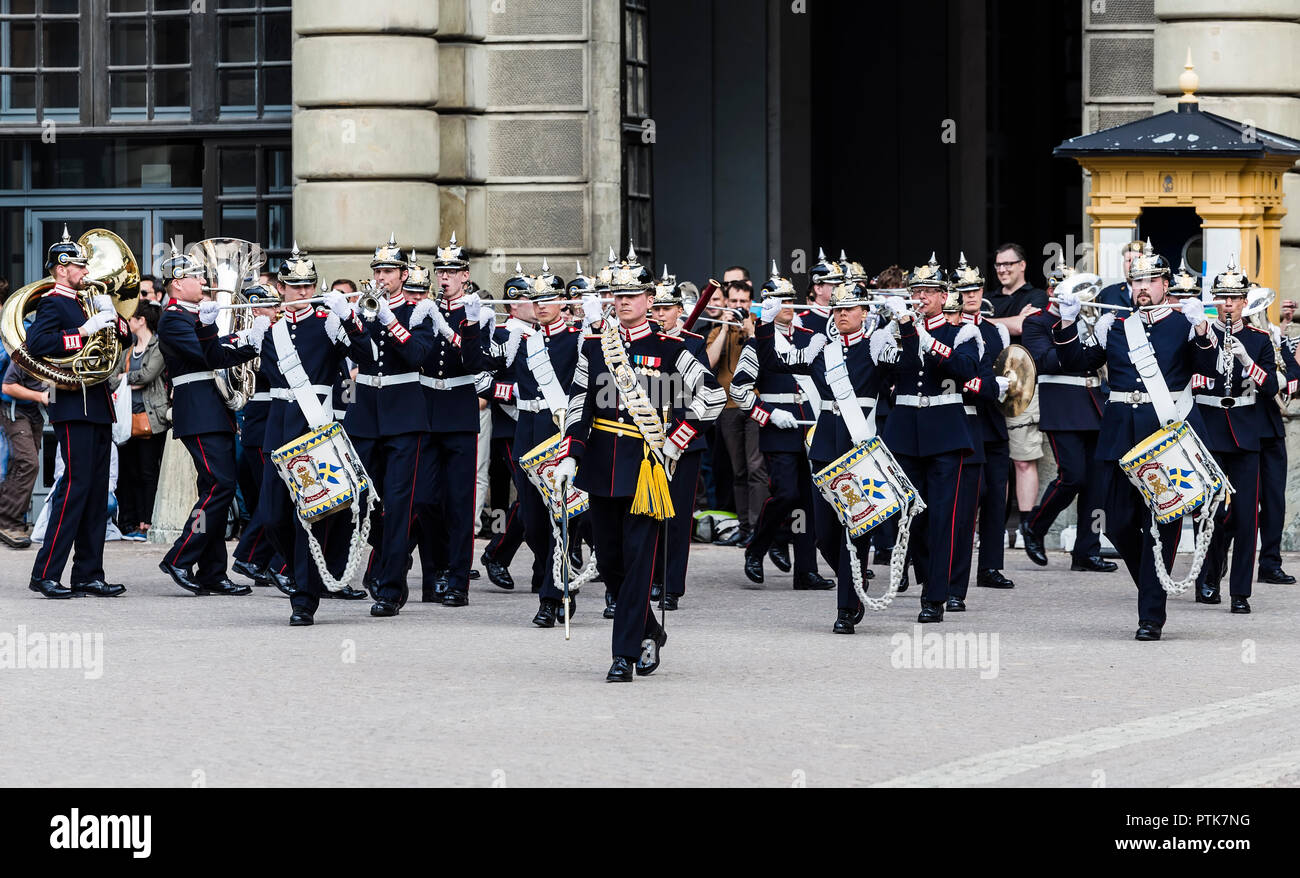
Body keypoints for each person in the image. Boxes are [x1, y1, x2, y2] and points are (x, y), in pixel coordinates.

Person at [553, 247, 724, 681]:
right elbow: (579, 403)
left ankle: (623, 654)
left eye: (632, 295)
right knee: (610, 564)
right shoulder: (595, 346)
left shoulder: (673, 348)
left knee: (638, 563)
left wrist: (677, 439)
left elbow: (711, 395)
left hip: (647, 468)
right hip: (601, 463)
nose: (623, 301)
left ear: (650, 299)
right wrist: (571, 453)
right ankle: (649, 629)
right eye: (617, 294)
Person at [1052, 243, 1216, 640]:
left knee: (1162, 523)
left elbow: (1208, 370)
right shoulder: (1117, 325)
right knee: (1114, 520)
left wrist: (1203, 331)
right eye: (1136, 280)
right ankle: (1151, 582)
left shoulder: (1182, 323)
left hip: (1164, 434)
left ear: (1165, 285)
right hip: (1120, 432)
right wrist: (1067, 323)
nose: (1142, 287)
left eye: (1150, 280)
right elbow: (1076, 362)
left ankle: (1150, 617)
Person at [257, 252, 370, 625]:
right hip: (277, 427)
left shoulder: (325, 323)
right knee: (272, 516)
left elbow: (364, 354)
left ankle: (303, 599)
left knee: (308, 515)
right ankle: (300, 569)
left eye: (307, 285)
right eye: (294, 286)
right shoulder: (270, 328)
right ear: (281, 288)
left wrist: (350, 319)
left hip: (312, 429)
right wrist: (207, 324)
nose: (301, 291)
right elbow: (214, 355)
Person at [26, 225, 132, 598]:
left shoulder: (89, 299)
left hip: (98, 403)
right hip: (73, 405)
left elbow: (127, 339)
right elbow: (38, 344)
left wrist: (112, 315)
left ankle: (89, 572)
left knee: (95, 493)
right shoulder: (54, 301)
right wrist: (84, 331)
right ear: (60, 268)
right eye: (79, 266)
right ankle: (46, 572)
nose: (86, 271)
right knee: (73, 489)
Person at [875, 255, 982, 624]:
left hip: (945, 429)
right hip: (905, 429)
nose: (921, 297)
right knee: (911, 515)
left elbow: (966, 369)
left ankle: (935, 596)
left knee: (942, 518)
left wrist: (927, 340)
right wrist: (900, 329)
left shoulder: (963, 332)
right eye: (916, 290)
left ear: (943, 295)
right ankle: (924, 575)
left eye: (928, 291)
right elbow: (889, 367)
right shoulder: (896, 329)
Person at [155, 245, 266, 596]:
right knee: (220, 486)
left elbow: (216, 351)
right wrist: (231, 335)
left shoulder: (191, 315)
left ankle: (212, 571)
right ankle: (180, 556)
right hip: (198, 411)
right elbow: (207, 356)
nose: (204, 280)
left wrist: (251, 342)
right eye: (196, 275)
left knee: (216, 489)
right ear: (177, 283)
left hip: (212, 410)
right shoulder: (173, 317)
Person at [345, 236, 436, 617]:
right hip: (366, 412)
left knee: (400, 504)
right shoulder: (363, 309)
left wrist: (389, 319)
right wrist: (350, 322)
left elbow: (418, 355)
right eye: (378, 270)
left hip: (403, 414)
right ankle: (388, 560)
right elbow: (354, 357)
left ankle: (390, 587)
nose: (382, 277)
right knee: (364, 500)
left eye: (389, 271)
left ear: (402, 274)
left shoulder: (420, 312)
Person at [732, 262, 834, 594]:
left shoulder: (809, 338)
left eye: (790, 300)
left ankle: (806, 570)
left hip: (810, 426)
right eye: (780, 301)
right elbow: (739, 390)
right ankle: (757, 547)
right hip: (778, 428)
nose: (787, 307)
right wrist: (768, 414)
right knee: (787, 493)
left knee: (808, 499)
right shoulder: (757, 343)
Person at [409, 234, 492, 608]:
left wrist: (471, 325)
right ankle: (435, 571)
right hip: (426, 408)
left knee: (460, 502)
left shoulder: (478, 314)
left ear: (465, 274)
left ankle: (458, 580)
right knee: (425, 499)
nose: (444, 277)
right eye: (440, 270)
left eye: (451, 271)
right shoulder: (424, 308)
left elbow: (476, 364)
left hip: (459, 409)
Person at [1018, 265, 1116, 573]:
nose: (1074, 296)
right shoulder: (1037, 322)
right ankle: (1035, 524)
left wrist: (1103, 339)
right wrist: (1068, 325)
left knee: (1096, 483)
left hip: (1093, 405)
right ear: (1051, 292)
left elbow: (1089, 361)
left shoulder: (1088, 319)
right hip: (1062, 405)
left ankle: (1087, 550)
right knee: (1072, 475)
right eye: (1066, 290)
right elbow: (1048, 361)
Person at [1191, 260, 1276, 614]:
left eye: (1235, 298)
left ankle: (1241, 591)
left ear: (1245, 301)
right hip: (1210, 428)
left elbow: (1271, 387)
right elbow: (1190, 370)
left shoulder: (1258, 339)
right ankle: (1207, 578)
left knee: (1246, 516)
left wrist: (1248, 364)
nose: (1228, 304)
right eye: (1222, 297)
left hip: (1244, 430)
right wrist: (1203, 339)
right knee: (1208, 512)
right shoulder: (1202, 332)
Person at [647, 265, 714, 610]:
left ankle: (671, 585)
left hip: (682, 438)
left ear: (679, 310)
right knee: (647, 513)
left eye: (666, 308)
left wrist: (679, 435)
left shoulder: (693, 343)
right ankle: (649, 578)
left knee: (676, 514)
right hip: (645, 437)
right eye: (655, 308)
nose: (660, 314)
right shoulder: (642, 342)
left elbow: (705, 395)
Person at [950, 254, 1015, 605]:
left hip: (993, 416)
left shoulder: (995, 329)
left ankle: (990, 565)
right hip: (963, 415)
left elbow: (1008, 367)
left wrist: (1005, 386)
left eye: (974, 289)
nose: (970, 295)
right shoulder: (949, 329)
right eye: (963, 290)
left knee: (995, 494)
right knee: (966, 497)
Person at [987, 243, 1049, 543]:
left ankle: (1026, 528)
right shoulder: (987, 299)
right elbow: (1013, 326)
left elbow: (1025, 324)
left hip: (1024, 386)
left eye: (1009, 264)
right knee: (993, 461)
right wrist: (1007, 324)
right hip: (988, 385)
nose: (1003, 270)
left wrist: (988, 323)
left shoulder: (1036, 296)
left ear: (1023, 265)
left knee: (1024, 459)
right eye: (998, 265)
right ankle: (994, 529)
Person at [478, 270, 535, 590]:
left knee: (543, 495)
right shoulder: (501, 334)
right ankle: (496, 553)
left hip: (540, 424)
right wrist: (516, 393)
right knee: (530, 496)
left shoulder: (543, 333)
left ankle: (545, 568)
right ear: (514, 304)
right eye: (530, 298)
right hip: (510, 426)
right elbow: (484, 381)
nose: (537, 304)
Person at [706, 264, 768, 547]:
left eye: (745, 302)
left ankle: (758, 527)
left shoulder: (760, 326)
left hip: (754, 405)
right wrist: (723, 327)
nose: (740, 306)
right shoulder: (720, 327)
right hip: (729, 407)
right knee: (738, 470)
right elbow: (710, 362)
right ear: (727, 302)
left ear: (751, 302)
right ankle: (744, 528)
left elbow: (766, 362)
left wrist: (750, 328)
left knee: (756, 468)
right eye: (735, 302)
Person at [116, 299, 170, 542]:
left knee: (148, 472)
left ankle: (146, 521)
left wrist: (124, 378)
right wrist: (129, 380)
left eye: (131, 318)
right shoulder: (127, 351)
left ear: (141, 321)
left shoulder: (159, 347)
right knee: (130, 474)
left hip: (151, 419)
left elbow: (148, 375)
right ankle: (131, 521)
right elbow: (111, 379)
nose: (128, 322)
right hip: (127, 421)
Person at [1255, 293, 1299, 584]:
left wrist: (1282, 379)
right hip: (1235, 426)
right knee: (1233, 504)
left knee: (1273, 500)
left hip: (1269, 426)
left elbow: (1294, 375)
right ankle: (1217, 560)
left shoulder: (1274, 338)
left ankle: (1270, 561)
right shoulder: (1227, 336)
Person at [0, 340, 51, 548]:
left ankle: (11, 519)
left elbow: (51, 387)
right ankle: (7, 520)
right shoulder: (29, 350)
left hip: (35, 414)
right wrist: (40, 396)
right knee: (29, 463)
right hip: (15, 411)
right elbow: (7, 386)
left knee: (21, 465)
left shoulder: (56, 352)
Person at [797, 248, 844, 337]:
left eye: (841, 285)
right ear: (818, 289)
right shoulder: (801, 322)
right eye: (835, 286)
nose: (840, 289)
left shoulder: (846, 317)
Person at [1094, 240, 1145, 313]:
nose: (1132, 264)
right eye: (1128, 260)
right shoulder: (1107, 294)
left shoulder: (1158, 294)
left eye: (1137, 260)